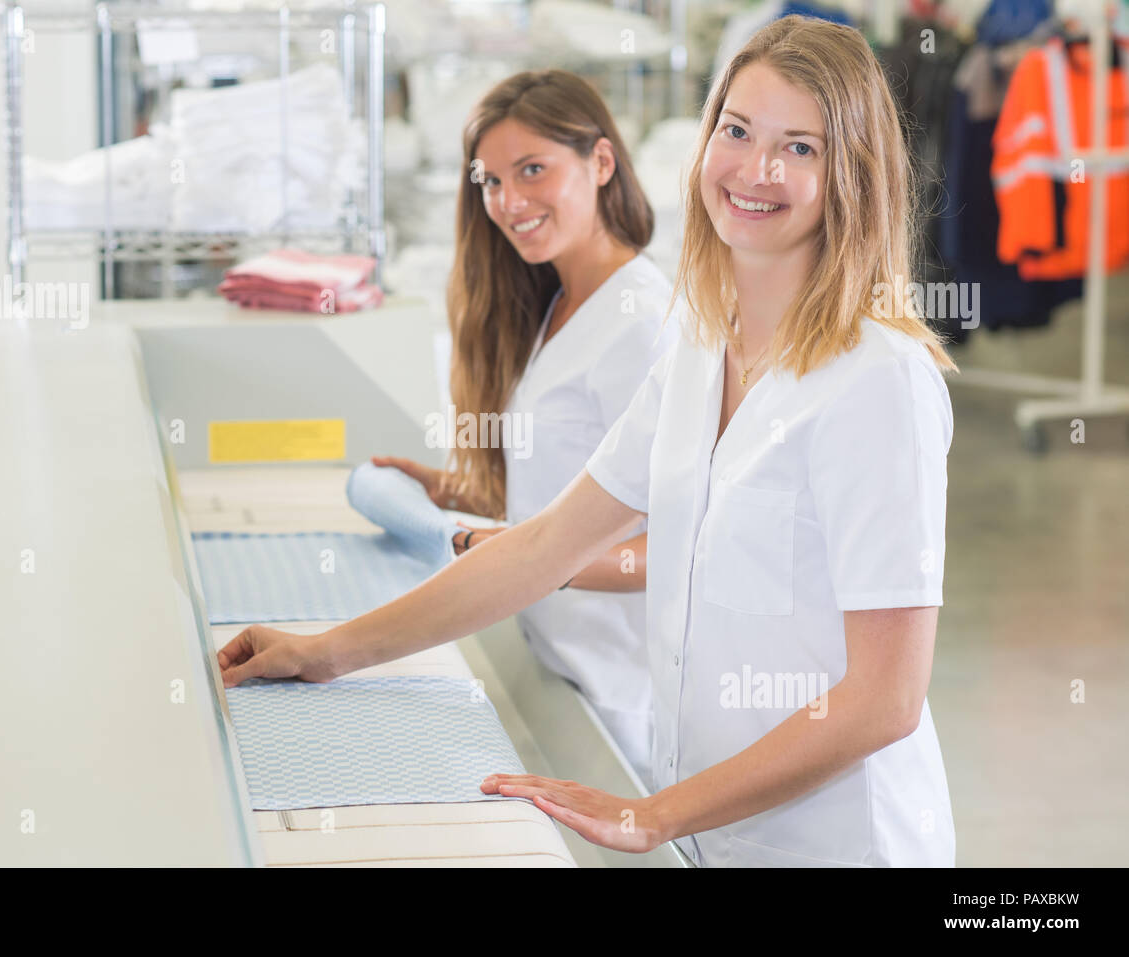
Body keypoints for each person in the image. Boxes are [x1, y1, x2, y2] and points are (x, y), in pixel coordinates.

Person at [220, 16, 958, 866]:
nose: (756, 170)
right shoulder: (699, 346)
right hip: (716, 829)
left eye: (801, 148)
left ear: (855, 175)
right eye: (738, 130)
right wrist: (324, 650)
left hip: (839, 846)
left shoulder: (878, 382)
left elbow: (884, 699)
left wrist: (656, 814)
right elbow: (542, 546)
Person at [369, 70, 677, 784]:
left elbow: (669, 550)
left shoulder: (638, 323)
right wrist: (458, 492)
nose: (509, 202)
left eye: (533, 170)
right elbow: (579, 492)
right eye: (491, 181)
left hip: (623, 698)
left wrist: (514, 552)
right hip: (564, 671)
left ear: (601, 163)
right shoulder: (559, 300)